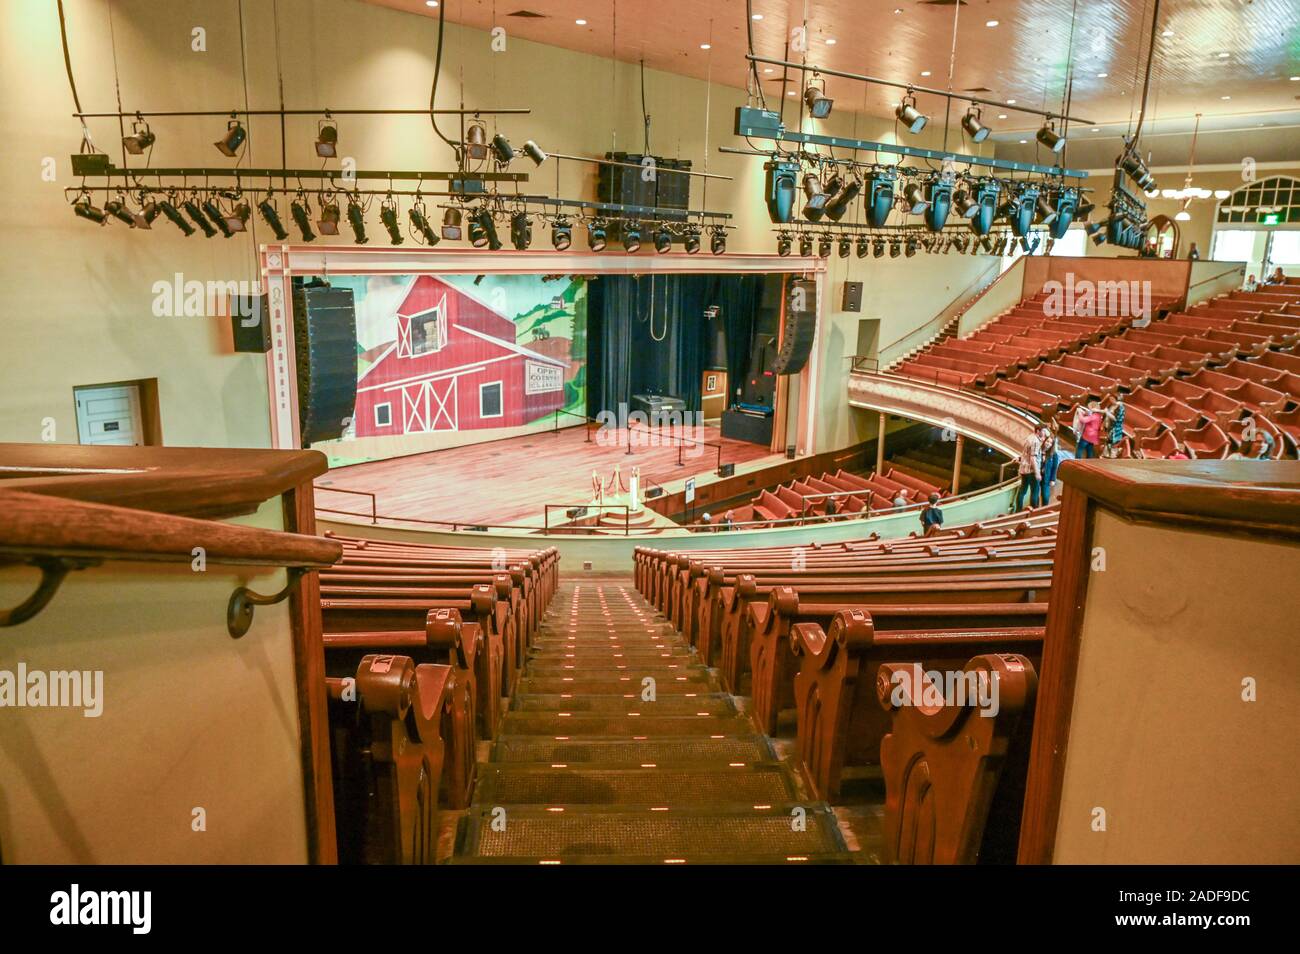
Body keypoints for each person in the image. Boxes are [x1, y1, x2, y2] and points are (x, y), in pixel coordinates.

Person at [1015, 426, 1042, 511]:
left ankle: (1018, 510)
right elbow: (1033, 458)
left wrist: (1019, 458)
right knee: (1035, 491)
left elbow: (1025, 453)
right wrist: (1037, 473)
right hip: (1031, 470)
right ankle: (1033, 511)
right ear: (1038, 431)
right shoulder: (1035, 441)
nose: (1044, 433)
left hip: (1024, 469)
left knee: (1022, 491)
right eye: (1043, 431)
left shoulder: (1029, 437)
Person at [1039, 421, 1061, 503]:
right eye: (1047, 442)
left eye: (1050, 443)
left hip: (1046, 477)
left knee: (1045, 496)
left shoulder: (1053, 454)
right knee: (1034, 496)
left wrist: (1053, 479)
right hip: (1037, 476)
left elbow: (1055, 467)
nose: (1048, 444)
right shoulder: (1038, 450)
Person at [1102, 393, 1126, 459]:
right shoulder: (1111, 405)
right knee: (1108, 441)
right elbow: (1105, 413)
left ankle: (1113, 456)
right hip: (1109, 426)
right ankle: (1106, 454)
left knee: (1114, 442)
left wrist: (1107, 412)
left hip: (1115, 428)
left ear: (1116, 399)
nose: (1111, 400)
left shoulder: (1120, 407)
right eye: (1110, 399)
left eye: (1112, 399)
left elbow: (1116, 419)